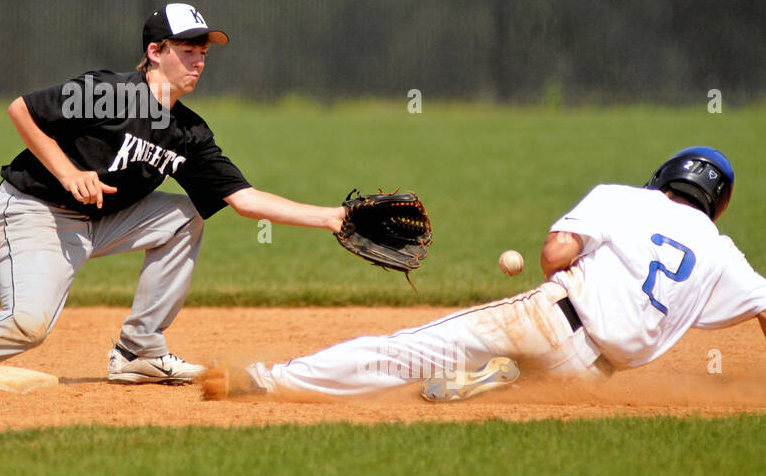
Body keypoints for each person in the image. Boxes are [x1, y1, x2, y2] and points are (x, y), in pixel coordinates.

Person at [0, 3, 349, 389]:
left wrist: (331, 216)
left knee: (186, 215)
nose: (198, 61)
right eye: (186, 49)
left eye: (203, 52)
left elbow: (244, 199)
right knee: (28, 325)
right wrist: (68, 173)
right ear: (156, 52)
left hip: (100, 221)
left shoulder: (188, 133)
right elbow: (21, 109)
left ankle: (139, 354)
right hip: (32, 211)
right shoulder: (107, 92)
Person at [217, 146, 766, 402]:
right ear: (716, 203)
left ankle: (269, 380)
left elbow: (554, 254)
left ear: (666, 177)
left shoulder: (624, 199)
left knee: (402, 353)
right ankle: (497, 379)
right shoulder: (721, 255)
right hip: (590, 376)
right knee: (529, 392)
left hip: (548, 320)